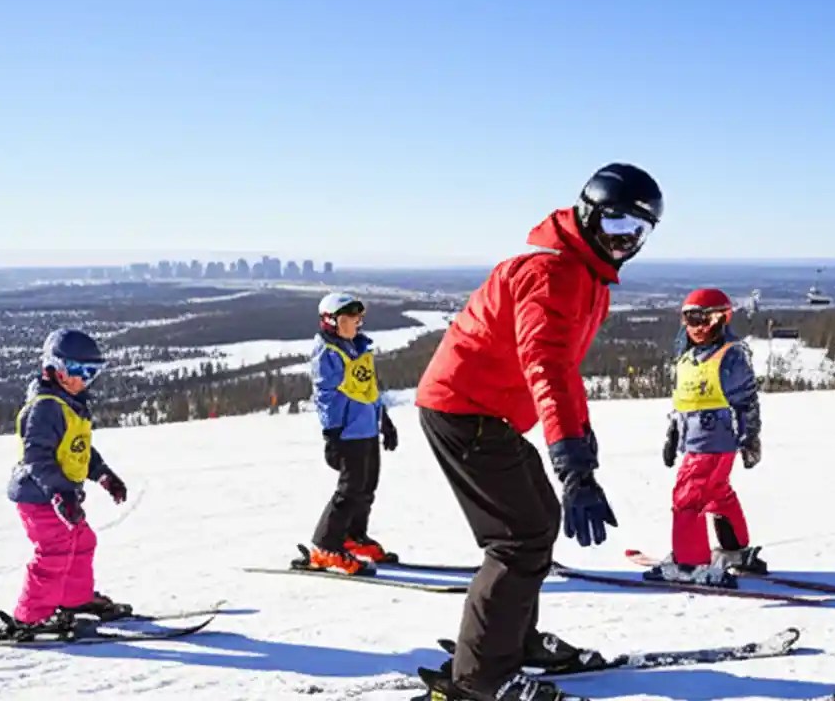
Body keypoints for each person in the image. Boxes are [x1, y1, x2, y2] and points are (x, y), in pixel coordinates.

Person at [415, 163, 663, 701]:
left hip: (484, 411)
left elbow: (566, 373)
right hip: (464, 409)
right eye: (616, 224)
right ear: (588, 214)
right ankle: (481, 680)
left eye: (637, 233)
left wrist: (584, 452)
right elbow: (545, 367)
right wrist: (571, 466)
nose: (623, 242)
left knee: (537, 523)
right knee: (517, 539)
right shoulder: (553, 272)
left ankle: (514, 643)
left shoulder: (587, 272)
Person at [0, 328, 130, 639]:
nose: (83, 379)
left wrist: (104, 476)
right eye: (76, 371)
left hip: (59, 496)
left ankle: (75, 599)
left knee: (82, 542)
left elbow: (79, 449)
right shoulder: (46, 407)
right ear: (54, 368)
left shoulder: (71, 403)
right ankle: (31, 616)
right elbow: (37, 457)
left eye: (91, 373)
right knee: (54, 551)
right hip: (39, 497)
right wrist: (59, 494)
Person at [644, 288, 764, 587]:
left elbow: (747, 400)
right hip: (697, 440)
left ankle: (690, 563)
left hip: (714, 441)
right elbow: (684, 401)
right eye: (690, 319)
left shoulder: (729, 356)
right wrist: (673, 433)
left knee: (687, 499)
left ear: (722, 318)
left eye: (704, 320)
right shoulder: (689, 356)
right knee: (717, 493)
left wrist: (751, 437)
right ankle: (734, 551)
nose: (697, 327)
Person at [299, 292, 398, 576]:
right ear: (331, 322)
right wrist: (331, 434)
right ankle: (325, 546)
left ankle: (353, 537)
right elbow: (326, 397)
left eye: (358, 318)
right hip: (348, 432)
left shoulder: (359, 348)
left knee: (367, 488)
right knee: (350, 491)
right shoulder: (328, 353)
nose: (357, 323)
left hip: (366, 427)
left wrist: (384, 419)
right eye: (349, 318)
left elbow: (368, 389)